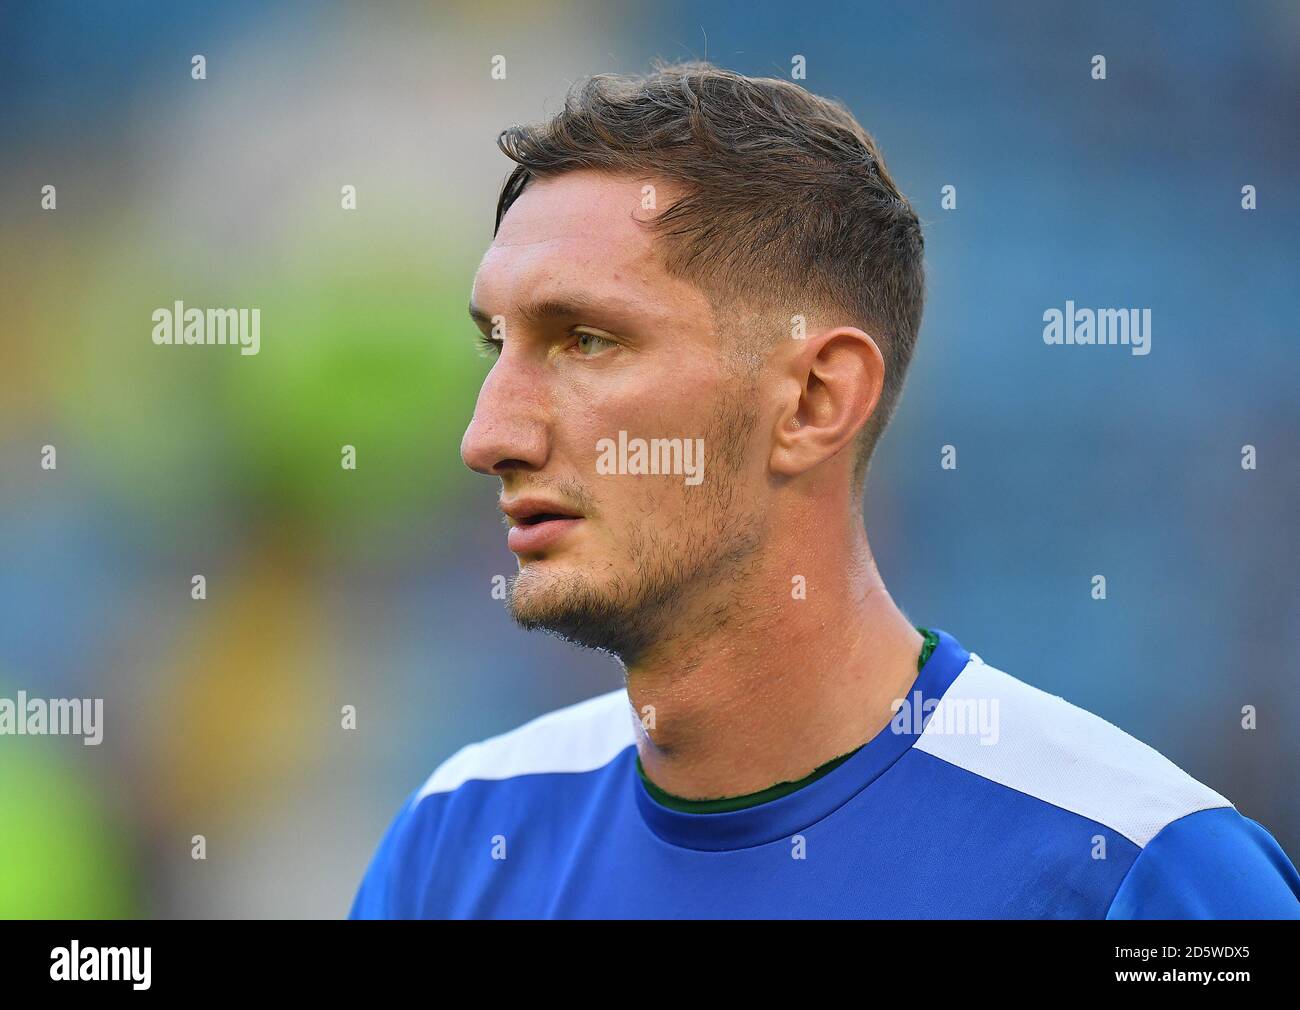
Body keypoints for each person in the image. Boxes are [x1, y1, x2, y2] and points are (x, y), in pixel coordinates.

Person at [351, 62, 1299, 918]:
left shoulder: (1139, 875)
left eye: (586, 340)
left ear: (813, 399)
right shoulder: (458, 843)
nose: (486, 437)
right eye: (496, 344)